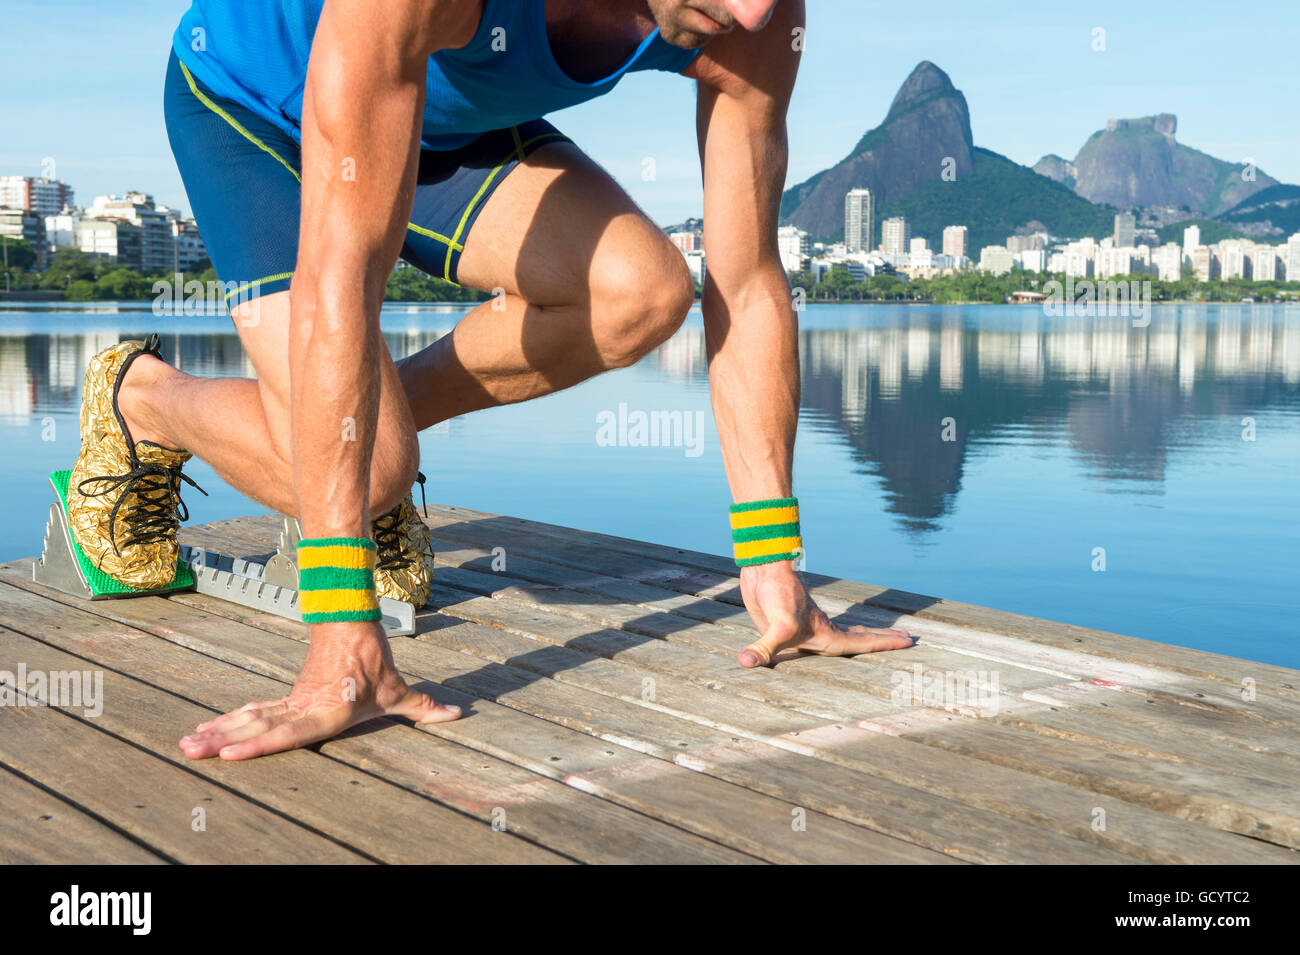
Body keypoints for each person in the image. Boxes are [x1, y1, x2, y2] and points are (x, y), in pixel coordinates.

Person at [66, 0, 911, 761]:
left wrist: (773, 567)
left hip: (436, 120)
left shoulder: (751, 18)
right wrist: (341, 636)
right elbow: (342, 278)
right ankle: (142, 396)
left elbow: (749, 273)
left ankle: (355, 429)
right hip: (253, 108)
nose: (754, 10)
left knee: (643, 292)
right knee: (380, 471)